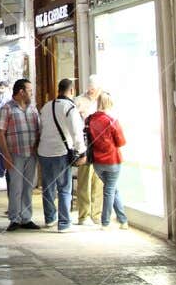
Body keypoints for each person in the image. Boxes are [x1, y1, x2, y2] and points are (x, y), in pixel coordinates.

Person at [36, 78, 85, 230]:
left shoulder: (46, 106)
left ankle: (50, 218)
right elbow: (76, 132)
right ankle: (64, 223)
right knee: (64, 188)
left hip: (44, 152)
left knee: (48, 187)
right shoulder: (70, 108)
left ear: (58, 90)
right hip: (61, 152)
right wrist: (82, 152)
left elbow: (41, 128)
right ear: (72, 91)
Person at [0, 79, 40, 232]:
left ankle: (26, 218)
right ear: (21, 92)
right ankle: (14, 218)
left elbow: (38, 129)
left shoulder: (32, 108)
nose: (31, 93)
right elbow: (1, 133)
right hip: (15, 154)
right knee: (16, 187)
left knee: (28, 187)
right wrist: (6, 155)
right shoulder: (7, 108)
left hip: (31, 153)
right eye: (29, 90)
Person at [85, 91, 128, 229]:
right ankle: (105, 222)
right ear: (110, 103)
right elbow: (121, 142)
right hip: (112, 160)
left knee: (112, 189)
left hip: (97, 162)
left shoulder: (89, 119)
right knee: (110, 190)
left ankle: (123, 220)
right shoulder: (112, 121)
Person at [74, 76, 104, 227]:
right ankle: (83, 215)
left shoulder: (103, 100)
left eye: (94, 88)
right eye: (90, 88)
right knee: (84, 181)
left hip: (100, 145)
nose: (92, 91)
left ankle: (96, 214)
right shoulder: (79, 101)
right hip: (85, 144)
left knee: (98, 181)